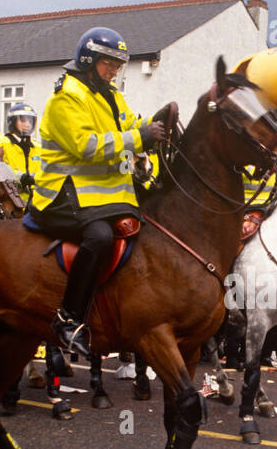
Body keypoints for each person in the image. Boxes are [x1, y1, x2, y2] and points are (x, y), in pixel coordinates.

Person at [29, 27, 171, 358]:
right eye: (109, 63)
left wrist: (157, 122)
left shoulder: (111, 95)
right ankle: (67, 319)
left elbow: (130, 126)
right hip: (60, 198)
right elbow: (88, 147)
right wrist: (140, 137)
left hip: (99, 197)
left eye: (118, 65)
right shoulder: (67, 97)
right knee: (99, 238)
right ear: (89, 60)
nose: (114, 71)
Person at [0, 102, 42, 197]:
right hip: (11, 201)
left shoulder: (38, 147)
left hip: (37, 202)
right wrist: (22, 178)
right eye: (23, 120)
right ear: (12, 121)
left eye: (30, 121)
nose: (27, 124)